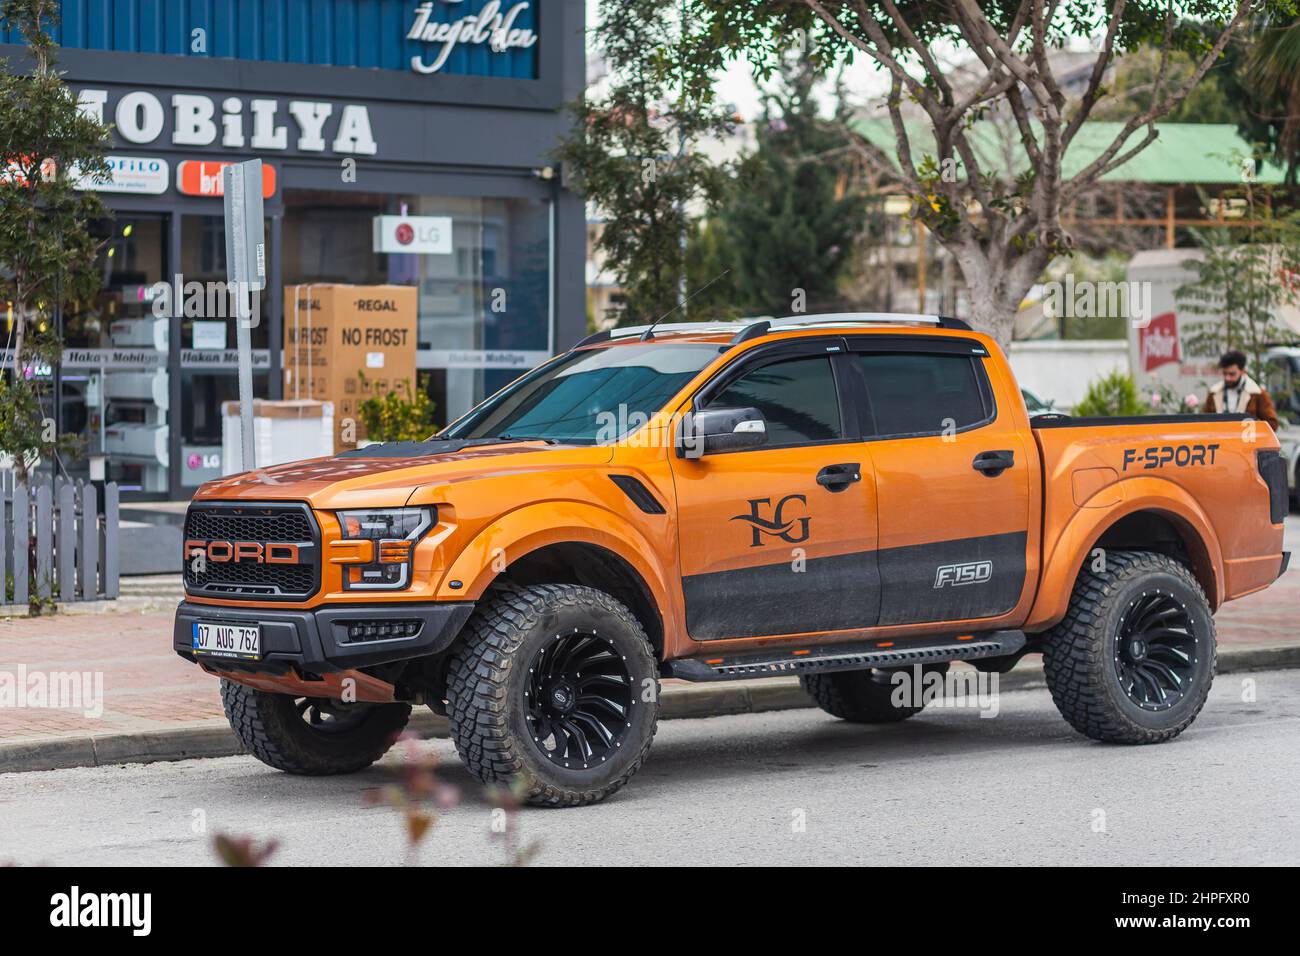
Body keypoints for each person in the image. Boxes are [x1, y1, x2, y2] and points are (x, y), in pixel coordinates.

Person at [1203, 349, 1279, 431]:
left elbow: (1272, 424)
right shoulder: (1214, 393)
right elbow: (1203, 422)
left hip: (1248, 442)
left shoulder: (1258, 394)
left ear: (1243, 372)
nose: (1227, 378)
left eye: (1232, 374)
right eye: (1225, 373)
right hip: (1219, 442)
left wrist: (1250, 430)